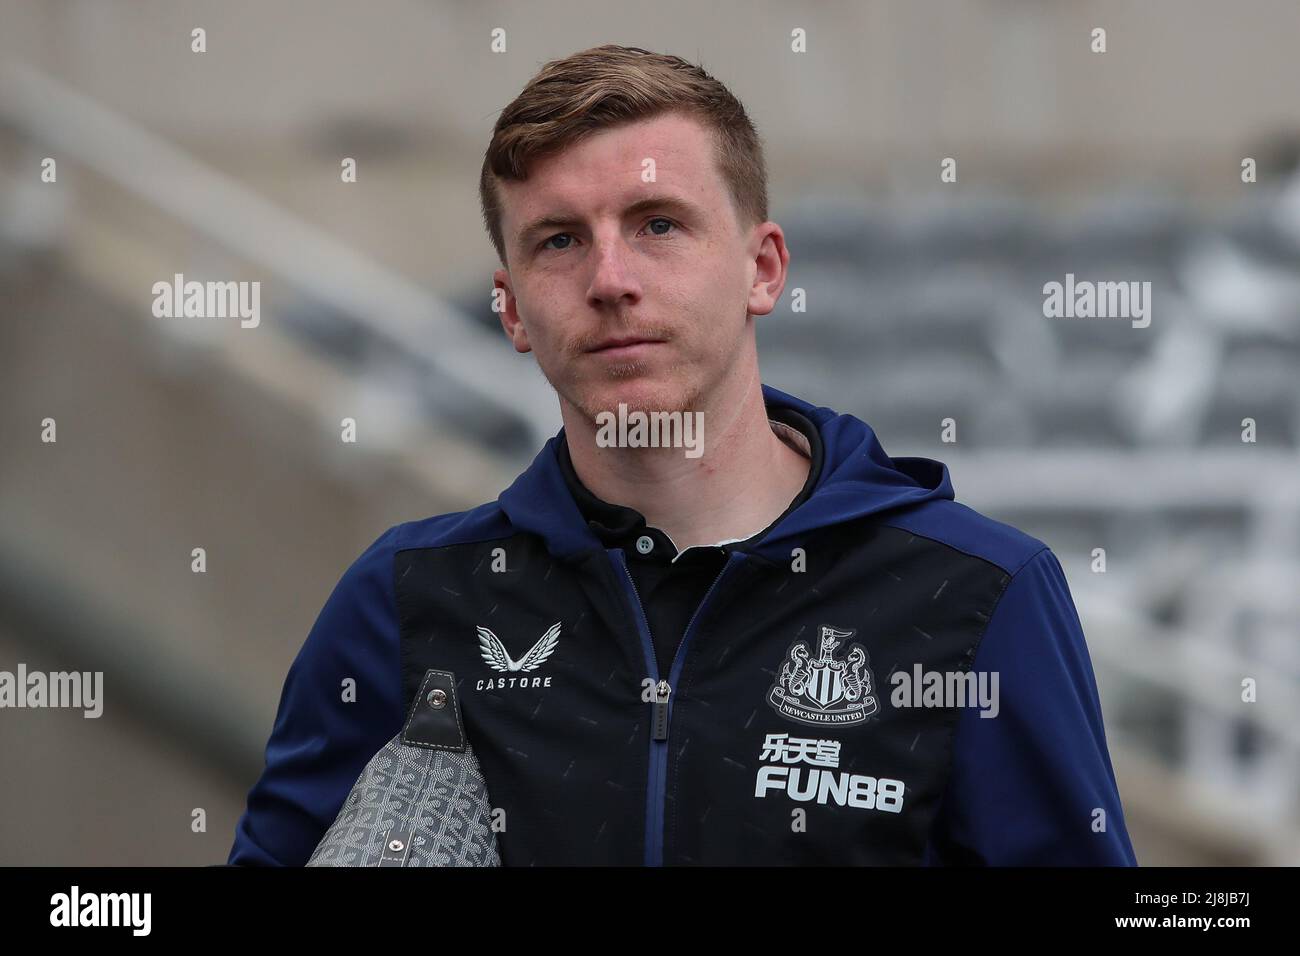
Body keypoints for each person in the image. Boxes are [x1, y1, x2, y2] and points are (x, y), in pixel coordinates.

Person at [228, 44, 1137, 866]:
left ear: (763, 268)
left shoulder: (978, 596)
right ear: (509, 309)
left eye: (658, 223)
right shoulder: (405, 601)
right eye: (559, 240)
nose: (611, 280)